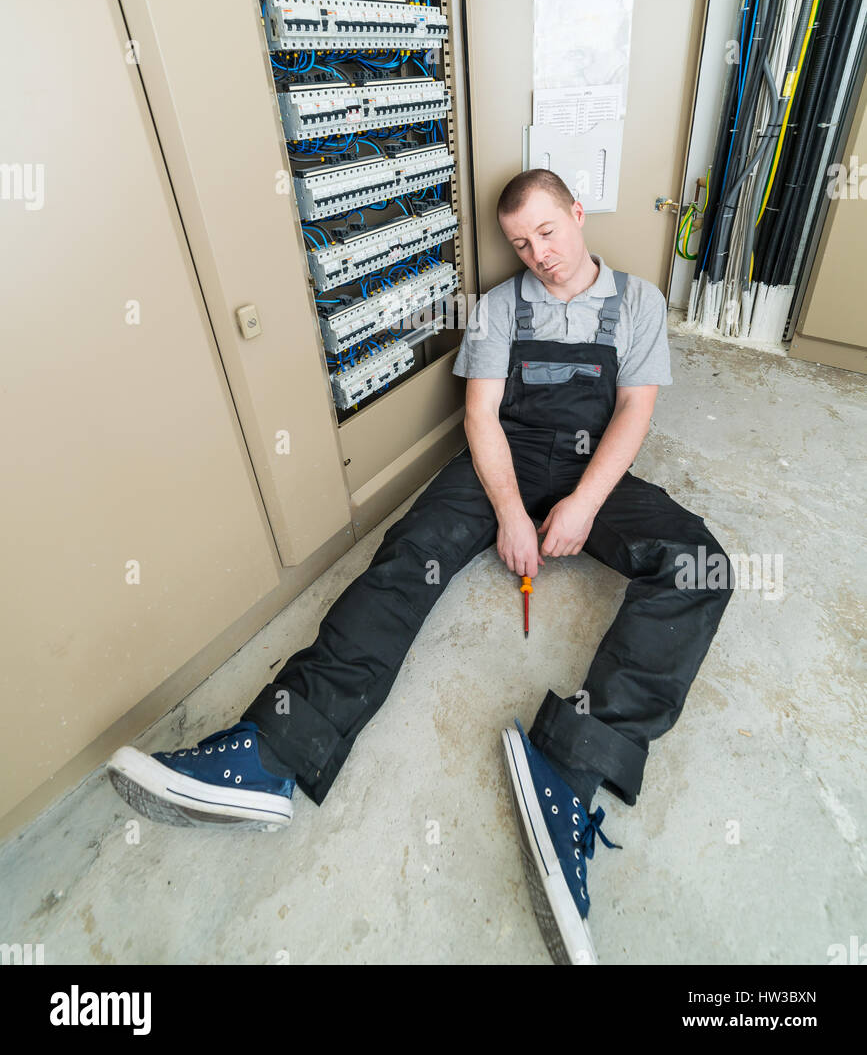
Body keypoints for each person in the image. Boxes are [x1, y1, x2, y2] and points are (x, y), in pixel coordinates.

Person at [108, 169, 733, 965]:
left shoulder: (637, 302)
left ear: (577, 214)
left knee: (699, 565)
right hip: (499, 458)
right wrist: (510, 513)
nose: (536, 253)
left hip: (590, 467)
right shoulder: (501, 308)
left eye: (547, 231)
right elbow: (479, 415)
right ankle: (267, 756)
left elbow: (634, 411)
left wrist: (578, 506)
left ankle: (571, 770)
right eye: (518, 242)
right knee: (408, 558)